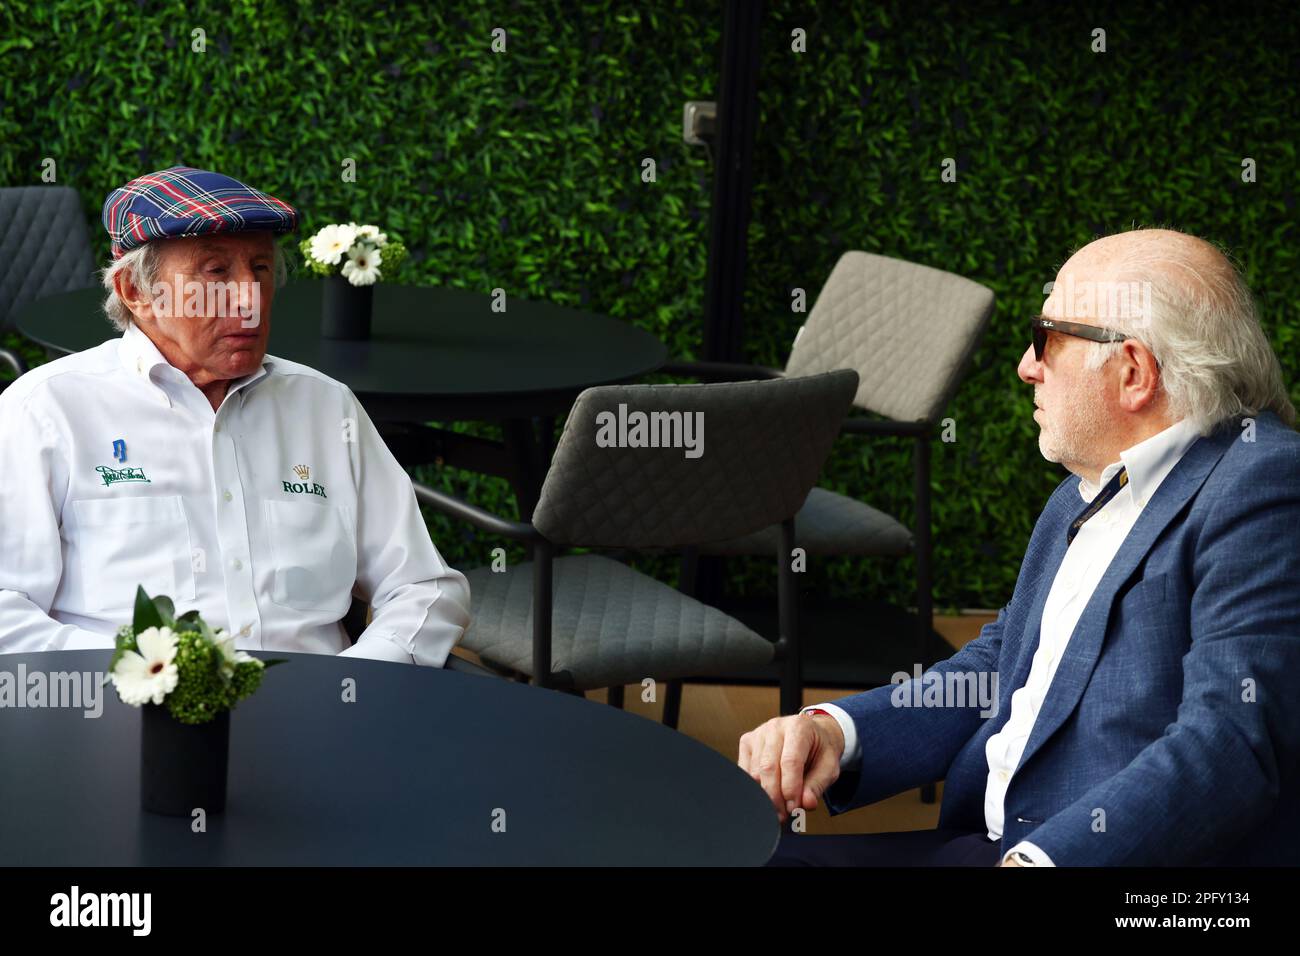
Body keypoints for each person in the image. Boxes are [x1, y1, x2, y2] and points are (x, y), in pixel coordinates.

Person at [740, 227, 1300, 866]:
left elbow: (1231, 743)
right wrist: (839, 733)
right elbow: (1005, 663)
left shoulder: (1262, 486)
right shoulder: (1092, 483)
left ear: (1135, 372)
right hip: (990, 844)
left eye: (1048, 339)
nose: (1027, 366)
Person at [0, 166, 470, 665]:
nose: (249, 299)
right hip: (127, 722)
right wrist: (151, 678)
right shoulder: (47, 412)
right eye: (215, 272)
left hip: (319, 715)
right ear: (136, 292)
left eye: (261, 270)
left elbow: (423, 587)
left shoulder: (326, 408)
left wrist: (357, 681)